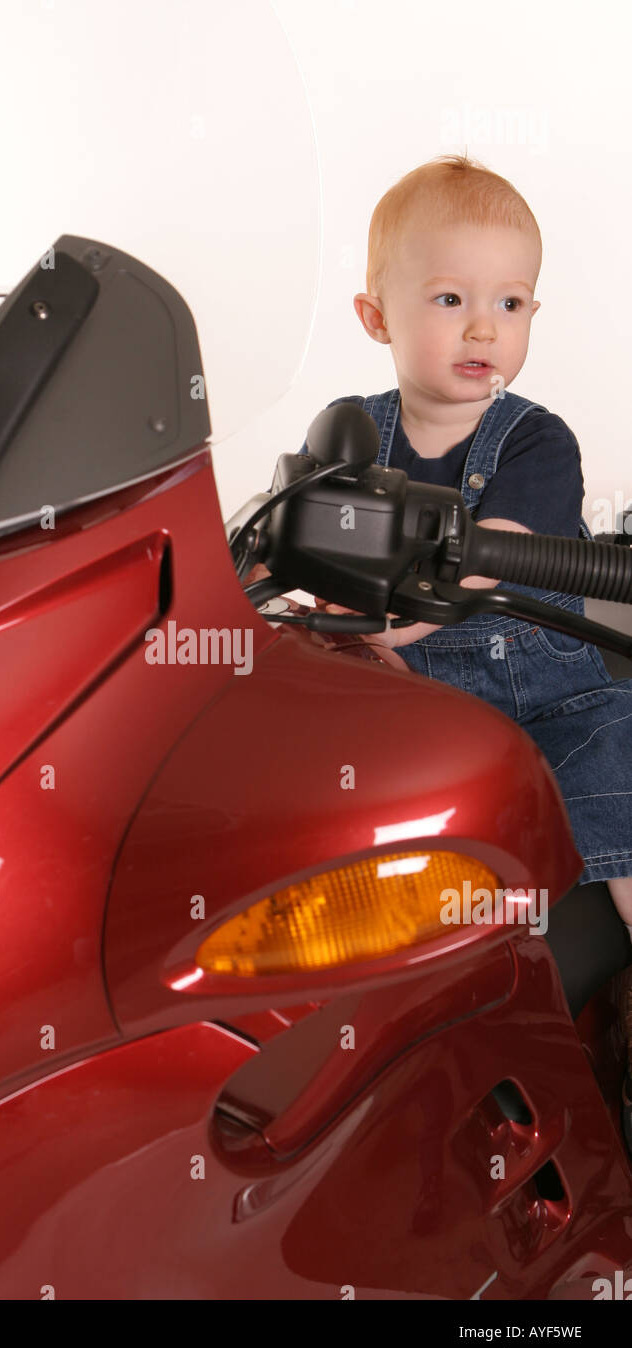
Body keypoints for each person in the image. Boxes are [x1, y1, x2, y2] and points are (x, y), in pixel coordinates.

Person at [248, 153, 632, 1133]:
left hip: (548, 694)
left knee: (617, 796)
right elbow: (278, 545)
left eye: (508, 303)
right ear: (374, 315)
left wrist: (386, 616)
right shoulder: (347, 436)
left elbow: (484, 559)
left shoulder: (533, 440)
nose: (480, 328)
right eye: (450, 297)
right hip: (413, 694)